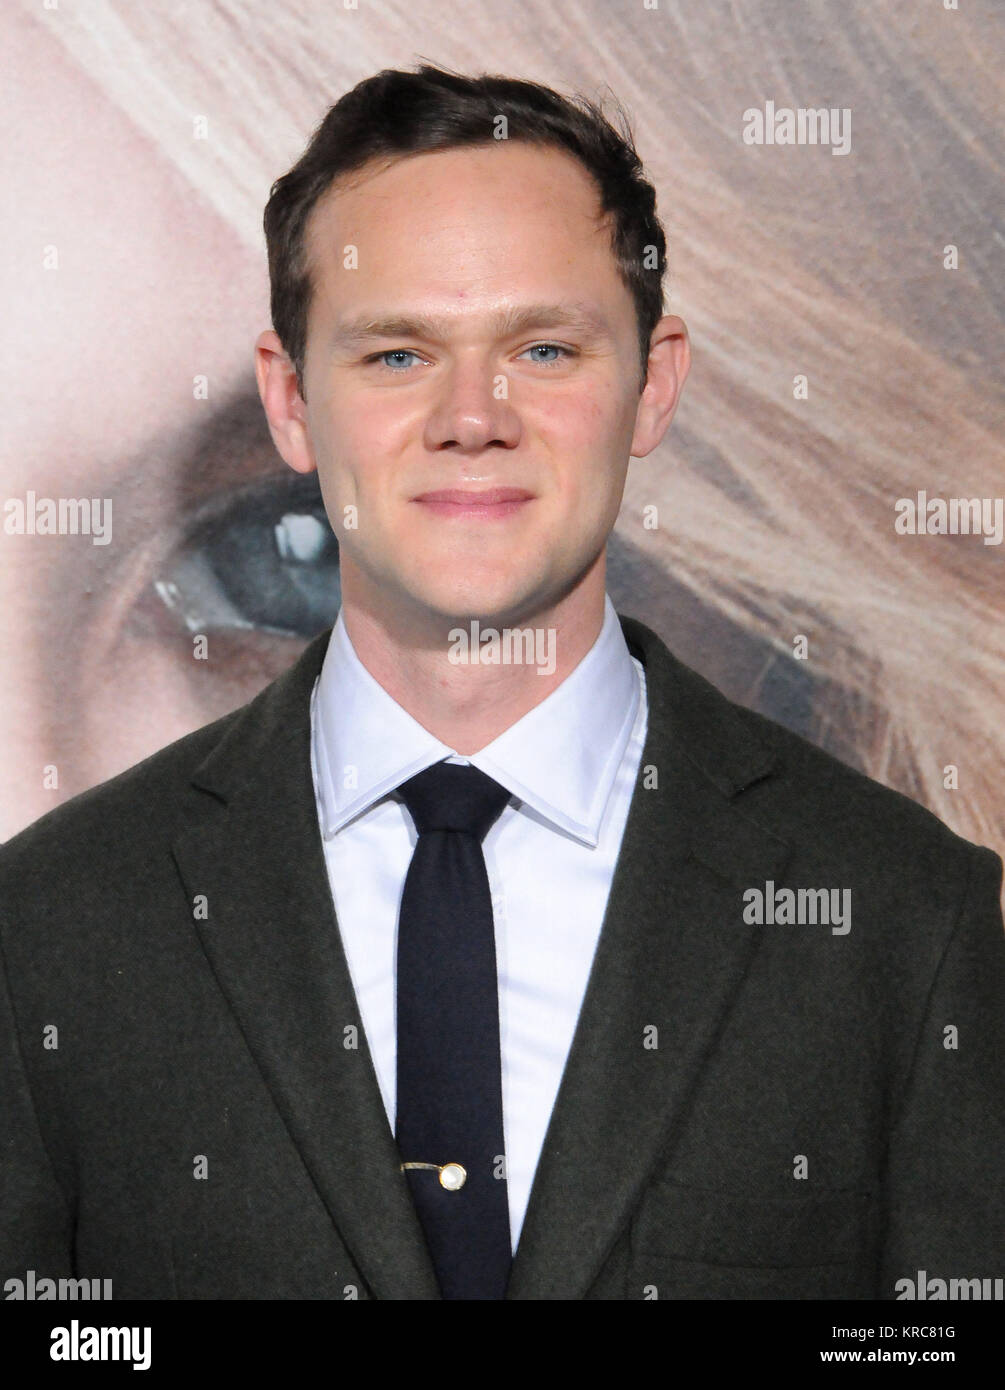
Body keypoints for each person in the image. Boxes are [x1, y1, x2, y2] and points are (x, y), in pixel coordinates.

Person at [1, 64, 1002, 1301]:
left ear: (655, 384)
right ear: (292, 398)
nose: (472, 417)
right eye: (396, 353)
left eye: (542, 347)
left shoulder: (906, 915)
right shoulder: (43, 927)